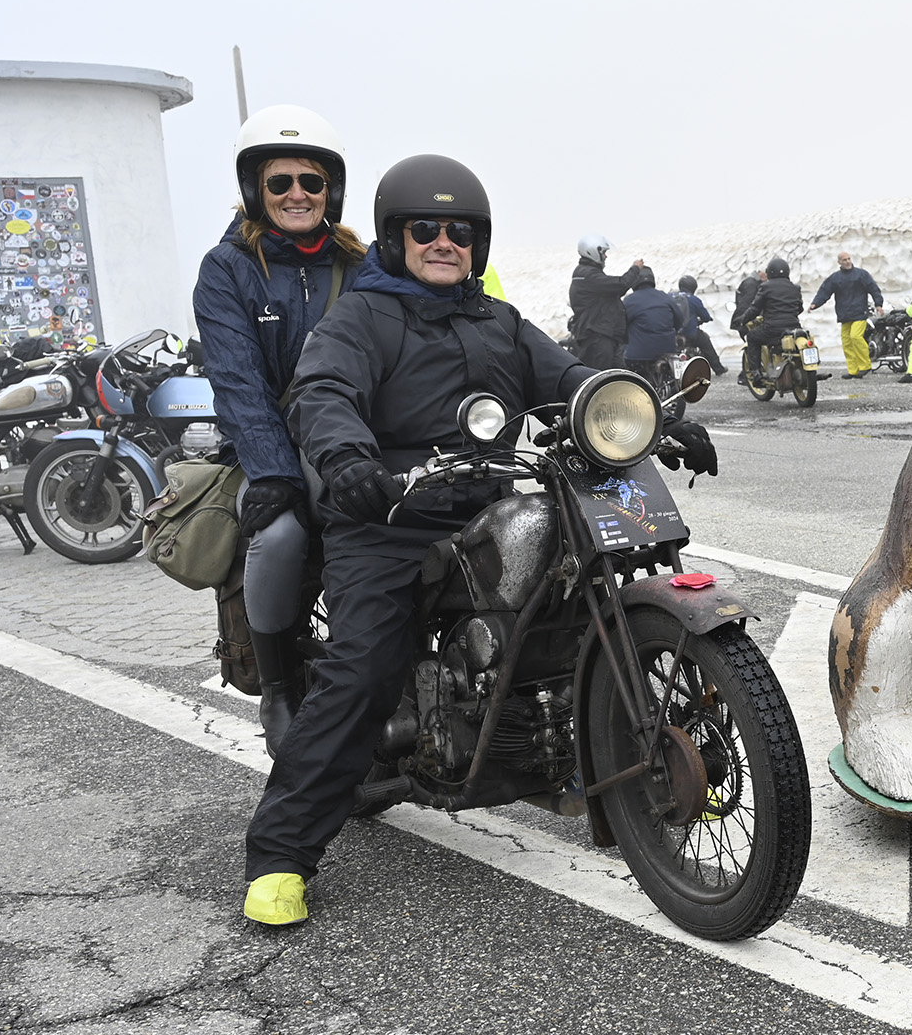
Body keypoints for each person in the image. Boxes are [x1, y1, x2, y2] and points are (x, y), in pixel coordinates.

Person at [241, 155, 600, 927]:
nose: (445, 242)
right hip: (388, 519)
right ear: (395, 236)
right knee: (364, 669)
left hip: (485, 507)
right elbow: (323, 392)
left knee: (582, 599)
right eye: (426, 229)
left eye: (461, 232)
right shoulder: (360, 318)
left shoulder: (498, 321)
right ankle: (279, 854)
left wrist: (640, 409)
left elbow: (568, 375)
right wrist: (347, 460)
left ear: (480, 242)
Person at [193, 105, 366, 759]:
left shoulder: (363, 265)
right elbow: (238, 381)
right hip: (272, 446)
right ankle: (280, 688)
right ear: (253, 193)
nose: (297, 194)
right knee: (282, 534)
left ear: (332, 191)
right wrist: (272, 472)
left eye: (312, 182)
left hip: (353, 442)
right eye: (280, 183)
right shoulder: (229, 269)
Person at [568, 235, 645, 370]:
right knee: (601, 379)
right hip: (598, 338)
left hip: (604, 337)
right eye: (603, 253)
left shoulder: (587, 273)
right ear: (592, 252)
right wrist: (635, 269)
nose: (605, 257)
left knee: (619, 378)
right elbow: (621, 285)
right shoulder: (588, 275)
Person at [809, 251, 884, 378]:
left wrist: (878, 304)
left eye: (849, 259)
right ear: (839, 262)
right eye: (844, 260)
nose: (847, 261)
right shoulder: (835, 278)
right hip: (845, 315)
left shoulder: (861, 274)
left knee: (855, 337)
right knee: (847, 342)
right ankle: (853, 370)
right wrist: (815, 304)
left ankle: (865, 365)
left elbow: (873, 288)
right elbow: (825, 291)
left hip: (860, 313)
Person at [734, 257, 804, 385]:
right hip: (794, 326)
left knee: (752, 337)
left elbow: (754, 309)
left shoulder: (765, 286)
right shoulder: (795, 287)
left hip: (773, 328)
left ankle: (756, 374)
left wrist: (742, 319)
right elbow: (800, 308)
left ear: (770, 272)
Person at [621, 264, 686, 389]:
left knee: (623, 374)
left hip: (638, 353)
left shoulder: (629, 300)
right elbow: (679, 320)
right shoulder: (664, 297)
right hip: (668, 348)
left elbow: (621, 325)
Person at [671, 275, 726, 373]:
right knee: (705, 341)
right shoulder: (694, 299)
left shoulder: (670, 296)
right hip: (690, 334)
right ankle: (718, 369)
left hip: (672, 334)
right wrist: (705, 319)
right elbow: (705, 316)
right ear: (693, 287)